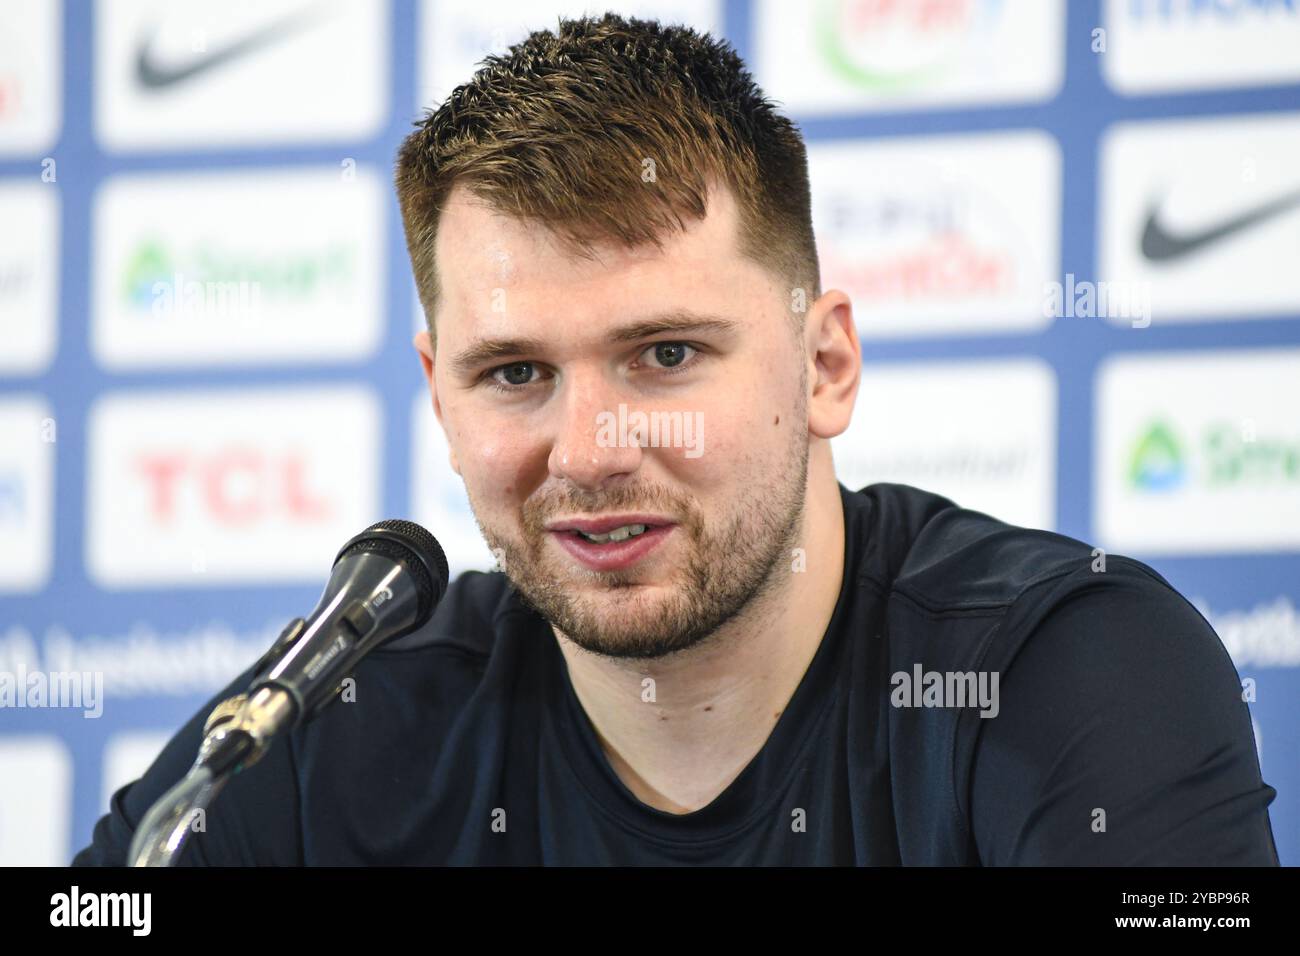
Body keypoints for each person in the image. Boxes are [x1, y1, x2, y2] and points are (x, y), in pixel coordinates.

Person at [74, 13, 1278, 865]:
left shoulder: (1068, 667)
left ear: (824, 363)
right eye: (516, 372)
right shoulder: (340, 720)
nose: (590, 448)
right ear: (442, 399)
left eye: (665, 354)